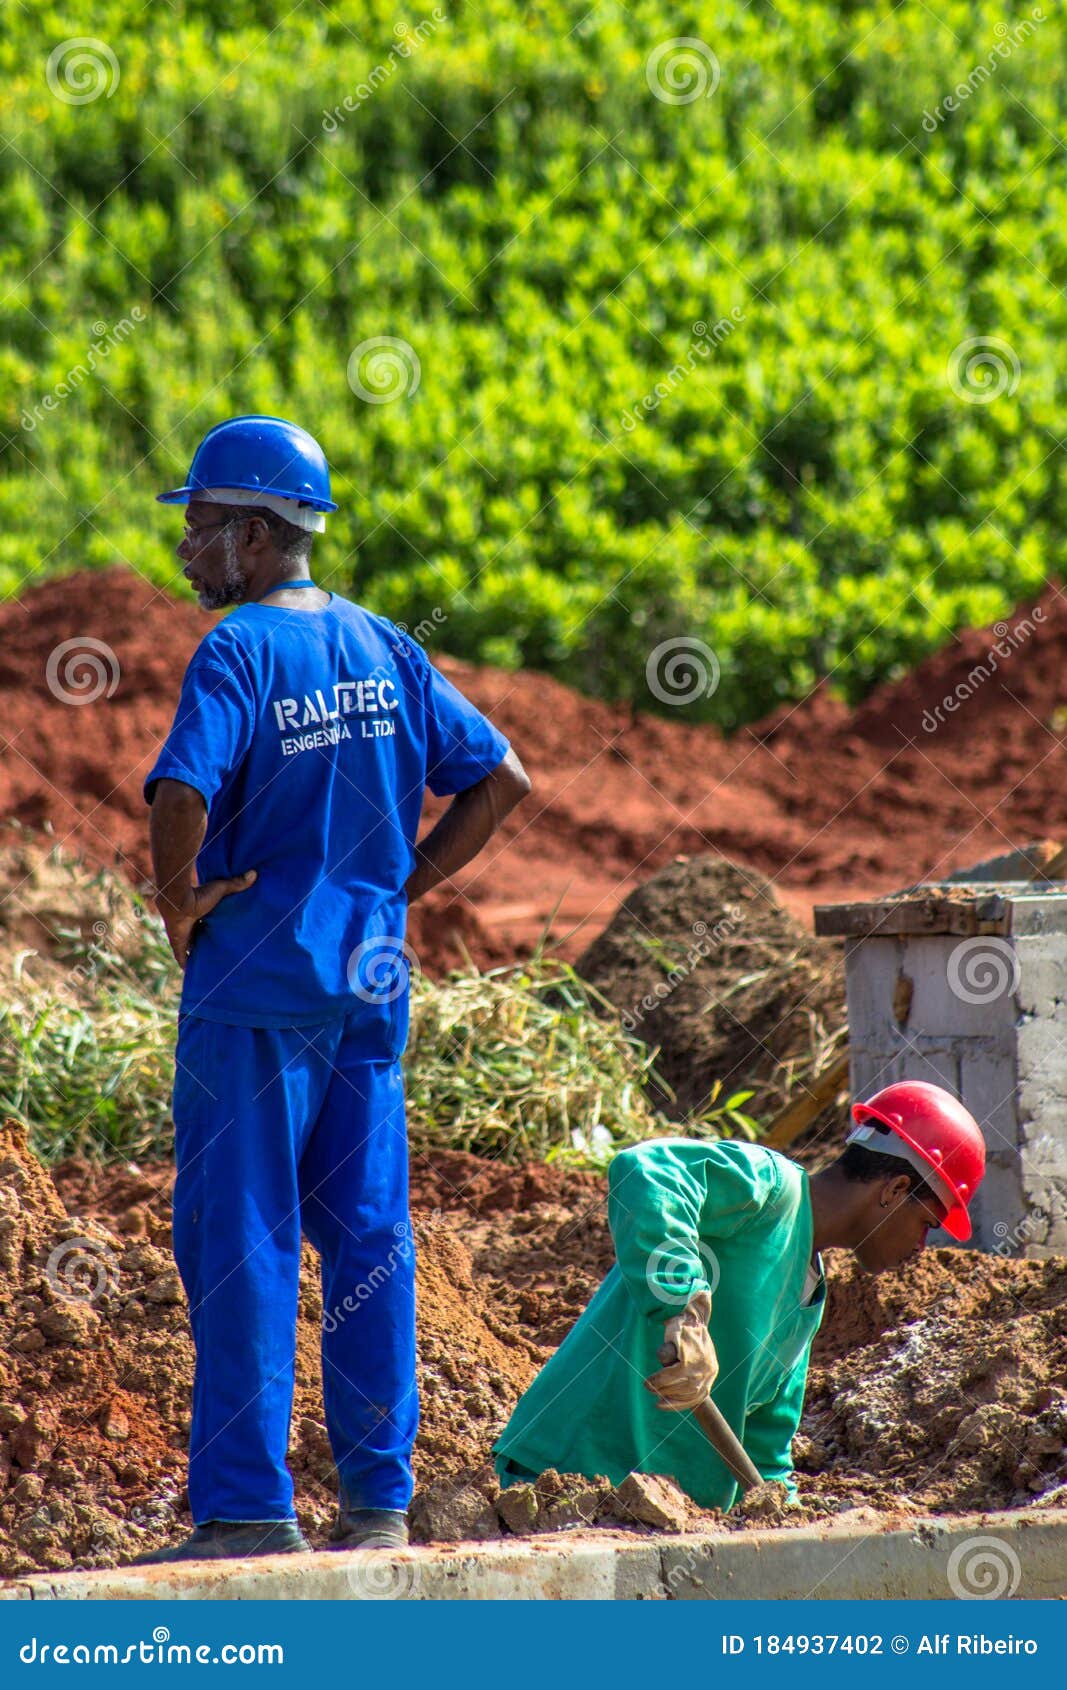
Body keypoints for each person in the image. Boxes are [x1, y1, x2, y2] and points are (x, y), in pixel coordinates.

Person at [136, 415, 531, 1563]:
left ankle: (250, 1516)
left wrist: (179, 901)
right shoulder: (385, 646)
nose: (186, 551)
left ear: (256, 535)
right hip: (365, 984)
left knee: (242, 1237)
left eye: (201, 527)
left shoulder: (238, 652)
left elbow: (178, 790)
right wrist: (403, 883)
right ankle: (376, 1508)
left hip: (255, 991)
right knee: (367, 1238)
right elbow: (501, 778)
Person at [493, 1080, 985, 1511]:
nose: (921, 1248)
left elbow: (766, 1450)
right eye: (928, 1224)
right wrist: (683, 1311)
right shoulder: (770, 1188)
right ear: (895, 1190)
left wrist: (783, 1519)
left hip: (659, 1523)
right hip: (561, 1483)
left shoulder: (807, 1297)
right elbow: (644, 1171)